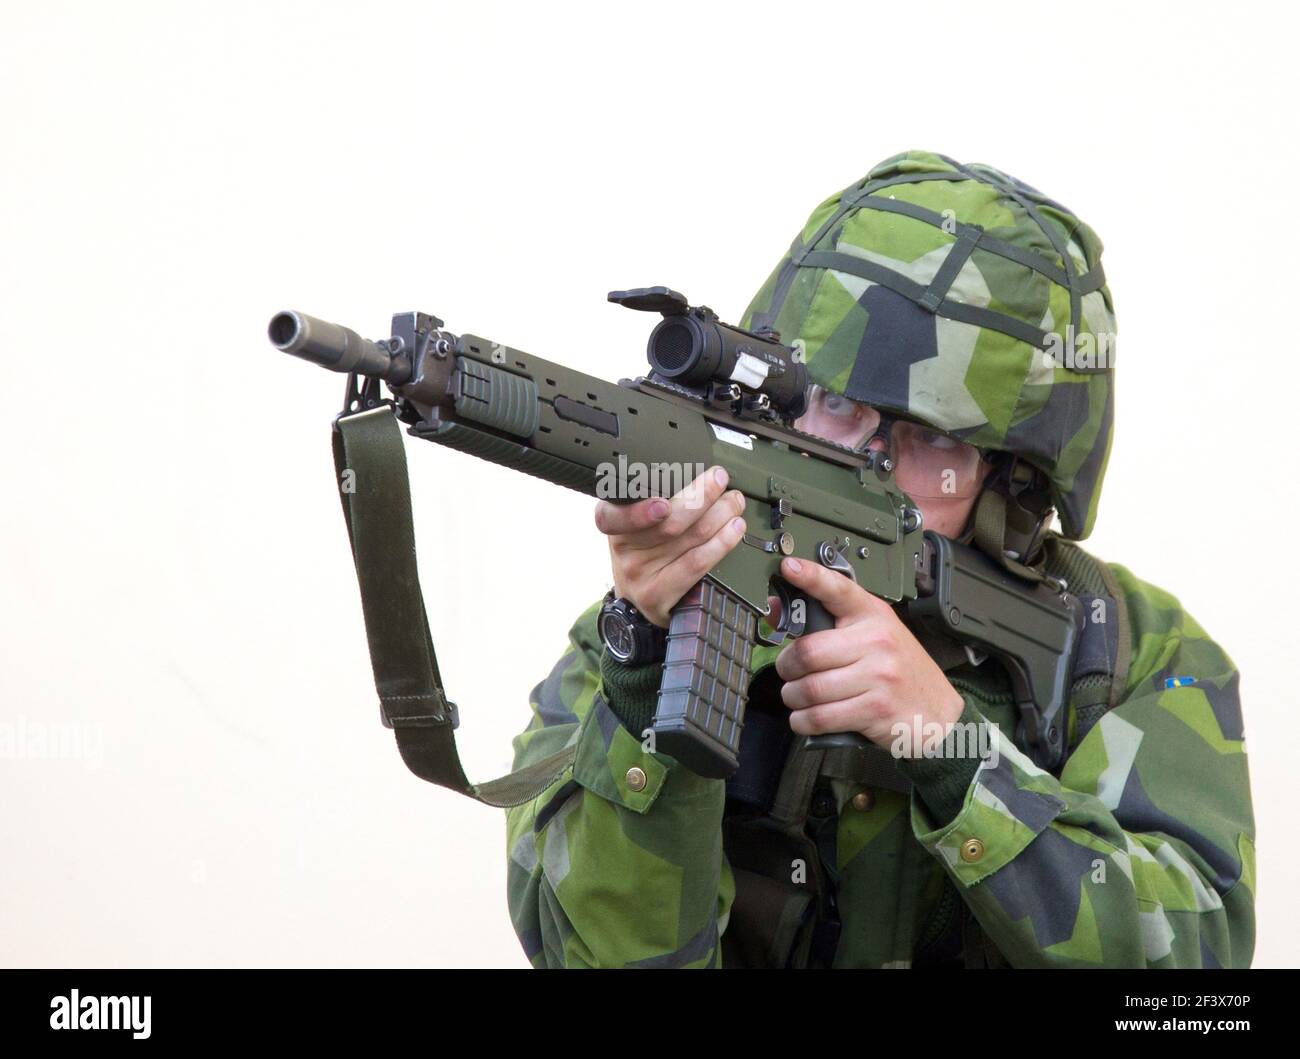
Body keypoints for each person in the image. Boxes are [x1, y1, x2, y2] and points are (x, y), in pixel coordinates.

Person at [503, 151, 1256, 968]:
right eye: (833, 405)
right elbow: (595, 952)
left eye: (932, 440)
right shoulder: (666, 616)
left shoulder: (1124, 654)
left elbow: (1193, 968)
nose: (865, 463)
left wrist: (953, 748)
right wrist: (643, 674)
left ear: (1016, 483)